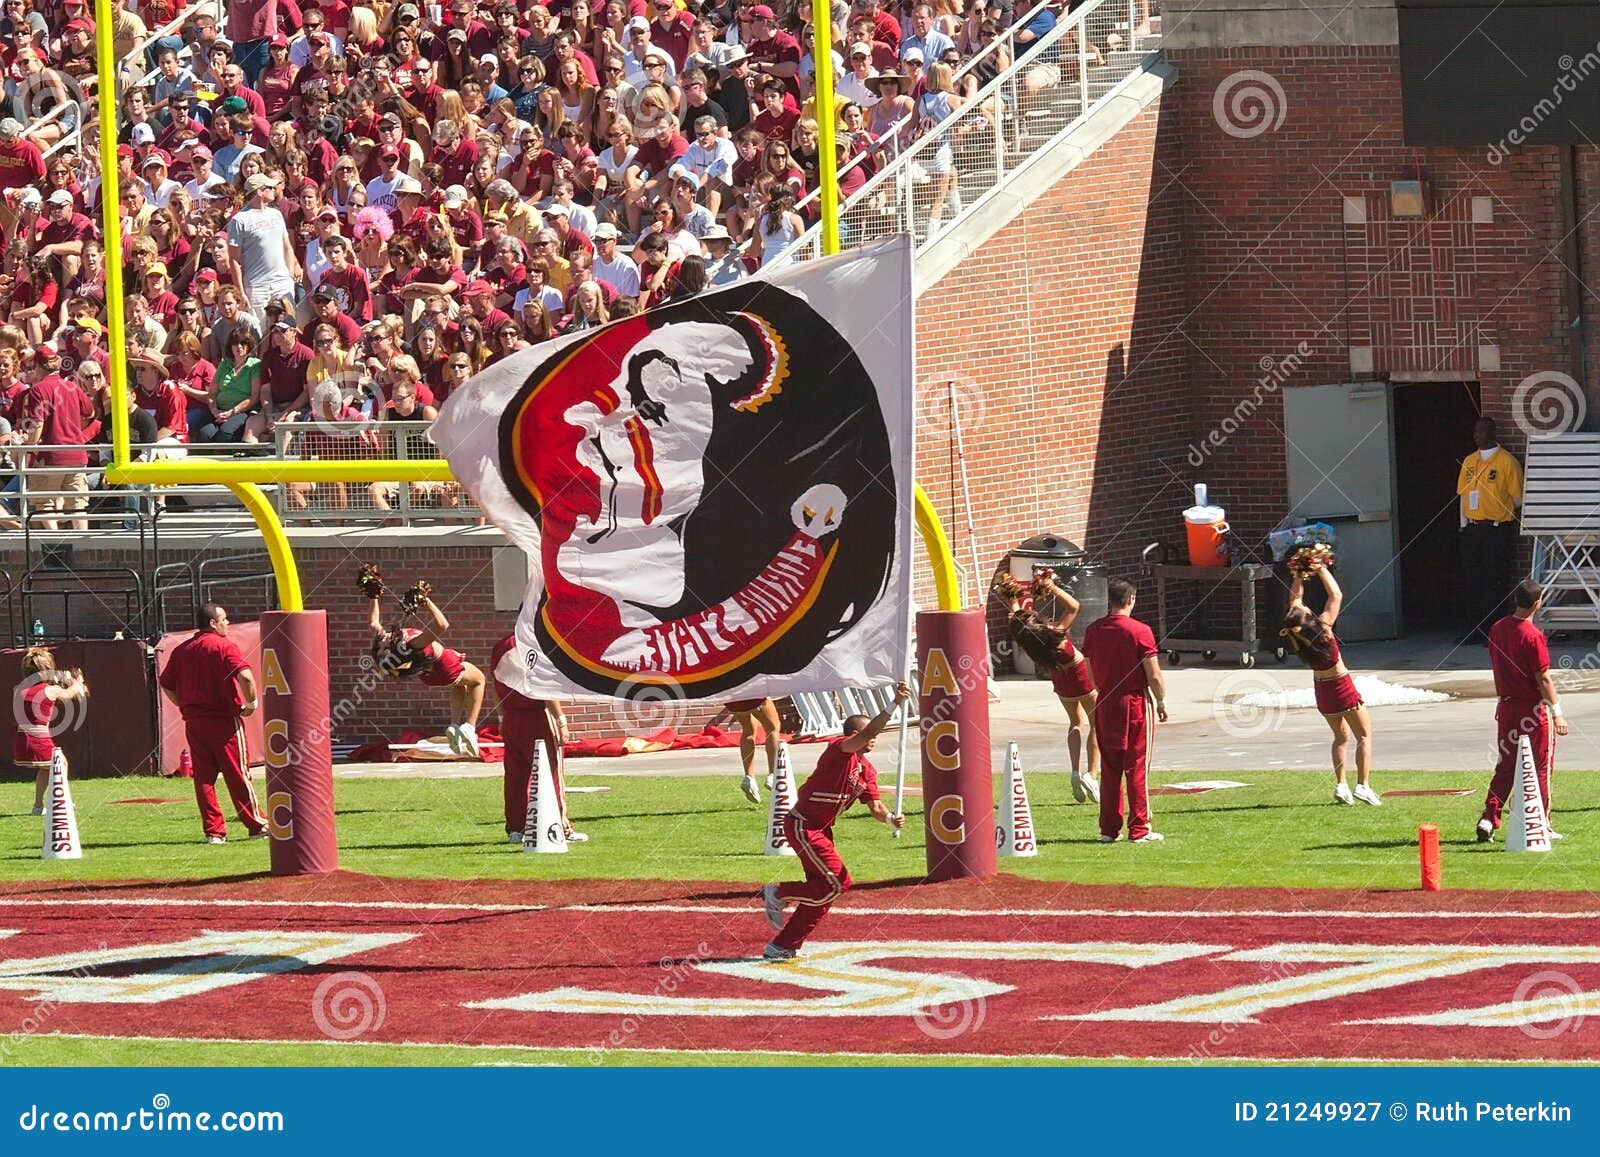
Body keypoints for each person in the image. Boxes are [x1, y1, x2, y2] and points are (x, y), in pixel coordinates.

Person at [760, 682, 911, 960]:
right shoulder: (839, 751)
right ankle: (778, 891)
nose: (875, 739)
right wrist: (893, 704)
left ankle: (783, 946)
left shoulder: (867, 770)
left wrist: (890, 818)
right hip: (803, 824)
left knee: (825, 892)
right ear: (855, 735)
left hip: (821, 830)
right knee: (835, 883)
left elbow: (875, 806)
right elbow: (868, 731)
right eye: (868, 734)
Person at [157, 604, 268, 845]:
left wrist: (184, 705)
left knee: (204, 779)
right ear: (213, 623)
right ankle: (256, 824)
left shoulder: (182, 649)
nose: (228, 623)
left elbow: (166, 683)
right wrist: (252, 704)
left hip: (195, 722)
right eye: (225, 620)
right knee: (238, 774)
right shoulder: (223, 646)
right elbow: (246, 676)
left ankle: (214, 832)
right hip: (224, 721)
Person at [993, 569, 1099, 804]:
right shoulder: (1056, 634)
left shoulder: (1027, 640)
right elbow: (1074, 606)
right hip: (1079, 674)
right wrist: (1050, 586)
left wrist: (1012, 599)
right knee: (1096, 724)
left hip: (1059, 681)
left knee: (1075, 722)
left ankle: (1074, 771)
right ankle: (1091, 774)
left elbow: (1017, 619)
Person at [1281, 553, 1379, 805]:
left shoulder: (1297, 638)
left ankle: (1341, 785)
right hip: (1341, 685)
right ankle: (1363, 785)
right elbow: (1335, 596)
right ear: (1307, 618)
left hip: (1321, 690)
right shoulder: (1323, 628)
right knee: (1364, 736)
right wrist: (1320, 566)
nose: (1303, 606)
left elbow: (1295, 600)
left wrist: (1299, 575)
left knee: (1340, 737)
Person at [1478, 578, 1567, 843]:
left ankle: (1488, 817)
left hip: (1506, 706)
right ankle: (1542, 823)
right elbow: (1543, 678)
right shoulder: (1533, 636)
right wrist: (1557, 711)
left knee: (1506, 765)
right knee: (1540, 767)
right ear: (1537, 603)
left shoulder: (1497, 628)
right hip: (1532, 709)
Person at [1081, 579, 1167, 843]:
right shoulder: (1140, 631)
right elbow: (1153, 675)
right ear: (1131, 600)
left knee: (1110, 768)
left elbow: (1088, 669)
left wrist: (1104, 687)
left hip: (1106, 701)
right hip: (1134, 701)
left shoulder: (1094, 630)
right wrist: (1161, 700)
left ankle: (1109, 829)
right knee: (1137, 766)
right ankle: (1140, 828)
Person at [365, 575, 488, 758]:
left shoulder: (390, 641)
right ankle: (470, 727)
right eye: (384, 651)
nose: (382, 643)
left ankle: (454, 726)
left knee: (460, 684)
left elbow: (374, 622)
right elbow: (442, 625)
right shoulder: (411, 645)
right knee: (479, 680)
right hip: (444, 664)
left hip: (431, 675)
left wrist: (373, 595)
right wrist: (427, 601)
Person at [489, 632, 585, 845]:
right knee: (550, 771)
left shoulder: (501, 646)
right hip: (537, 715)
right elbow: (544, 687)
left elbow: (494, 681)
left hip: (512, 714)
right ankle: (560, 826)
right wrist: (561, 720)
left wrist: (502, 715)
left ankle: (516, 828)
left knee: (515, 774)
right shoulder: (535, 645)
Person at [1457, 416, 1523, 645]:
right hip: (1472, 529)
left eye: (1482, 432)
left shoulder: (1506, 462)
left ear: (1493, 433)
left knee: (1494, 580)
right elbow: (1463, 496)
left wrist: (1497, 511)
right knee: (1472, 579)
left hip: (1496, 529)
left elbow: (1517, 499)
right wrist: (1463, 525)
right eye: (1475, 432)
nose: (1477, 436)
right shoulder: (1468, 461)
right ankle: (1474, 629)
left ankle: (1494, 631)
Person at [12, 648, 88, 816]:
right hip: (38, 737)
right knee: (61, 764)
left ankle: (38, 806)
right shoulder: (50, 689)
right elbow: (68, 694)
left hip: (21, 737)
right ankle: (64, 802)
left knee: (47, 768)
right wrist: (77, 682)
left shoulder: (19, 689)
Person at [726, 697, 781, 804]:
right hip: (754, 696)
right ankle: (773, 774)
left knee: (748, 731)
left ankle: (749, 777)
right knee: (773, 728)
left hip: (733, 700)